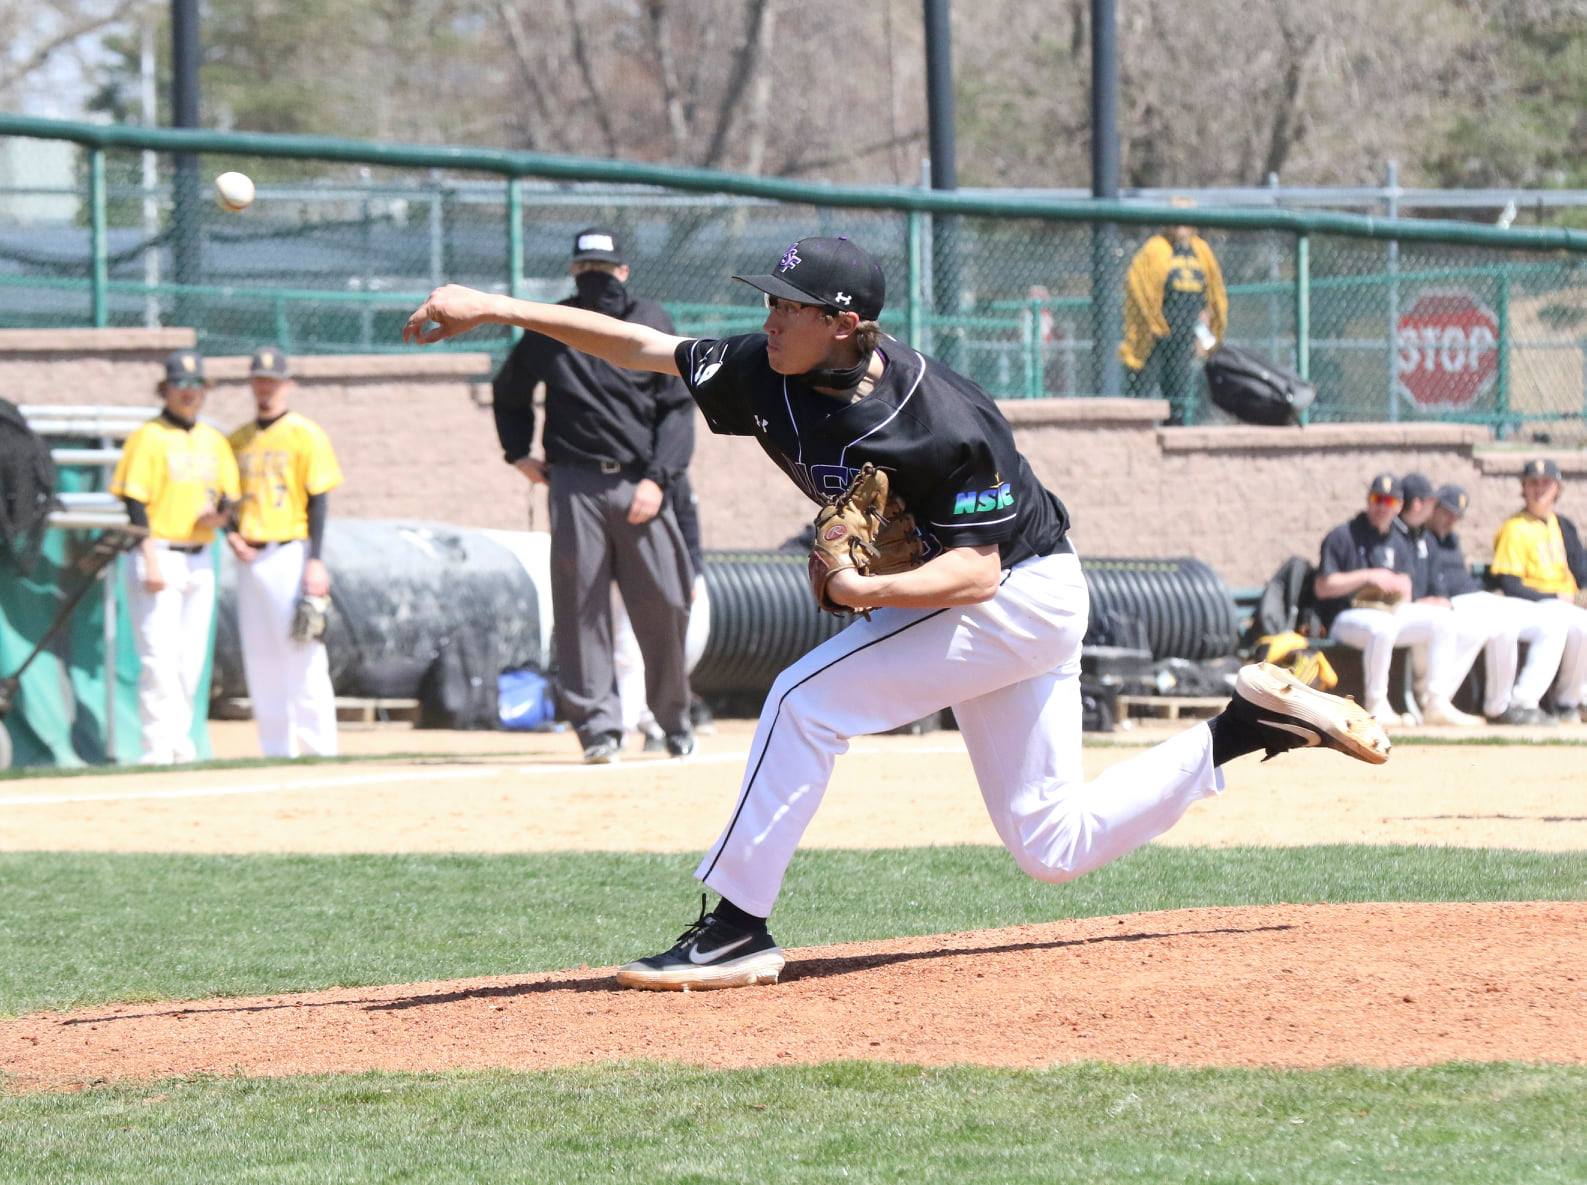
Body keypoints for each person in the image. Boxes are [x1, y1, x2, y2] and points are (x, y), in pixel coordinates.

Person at [404, 233, 1390, 993]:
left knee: (800, 698)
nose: (770, 316)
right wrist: (494, 307)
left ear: (846, 322)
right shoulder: (764, 370)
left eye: (791, 305)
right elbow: (643, 347)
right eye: (770, 300)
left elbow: (975, 574)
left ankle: (736, 925)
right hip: (996, 599)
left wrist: (867, 592)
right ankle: (1243, 727)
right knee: (1052, 846)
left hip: (1022, 593)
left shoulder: (936, 422)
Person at [491, 226, 696, 764]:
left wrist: (658, 477)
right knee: (581, 608)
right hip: (574, 481)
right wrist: (518, 453)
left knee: (668, 602)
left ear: (624, 272)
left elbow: (677, 406)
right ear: (573, 273)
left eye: (603, 270)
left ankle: (673, 719)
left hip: (640, 483)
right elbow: (509, 390)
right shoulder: (552, 327)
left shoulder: (651, 322)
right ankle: (598, 729)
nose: (594, 279)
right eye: (585, 270)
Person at [110, 349, 240, 764]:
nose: (188, 392)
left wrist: (221, 517)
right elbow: (134, 503)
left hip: (201, 555)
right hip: (160, 553)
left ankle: (182, 745)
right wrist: (147, 557)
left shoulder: (213, 440)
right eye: (180, 385)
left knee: (189, 661)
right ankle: (155, 747)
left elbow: (228, 499)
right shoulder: (148, 436)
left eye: (195, 385)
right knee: (158, 658)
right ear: (165, 390)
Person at [225, 346, 344, 758]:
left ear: (287, 384)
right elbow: (226, 499)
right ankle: (275, 751)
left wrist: (315, 559)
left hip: (290, 552)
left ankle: (319, 749)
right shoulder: (237, 439)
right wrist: (231, 533)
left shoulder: (305, 434)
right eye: (259, 380)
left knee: (303, 651)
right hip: (249, 555)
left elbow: (319, 500)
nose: (265, 387)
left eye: (272, 380)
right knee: (260, 657)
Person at [1312, 473, 1480, 728]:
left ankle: (1435, 702)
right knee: (1382, 626)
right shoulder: (1344, 535)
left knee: (1443, 620)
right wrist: (1368, 576)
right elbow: (1323, 588)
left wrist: (1402, 586)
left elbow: (1407, 587)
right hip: (1344, 617)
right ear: (1368, 500)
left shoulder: (1397, 540)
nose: (1382, 507)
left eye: (1390, 502)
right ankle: (1376, 704)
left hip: (1388, 612)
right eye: (1377, 499)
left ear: (1399, 506)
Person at [1425, 482, 1568, 726]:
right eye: (1446, 512)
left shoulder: (1450, 539)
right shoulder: (1424, 539)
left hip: (1479, 597)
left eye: (1456, 516)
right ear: (1433, 507)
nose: (1451, 519)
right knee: (1504, 625)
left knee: (1552, 623)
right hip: (1456, 603)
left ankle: (1523, 702)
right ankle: (1498, 706)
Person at [611, 470, 711, 750]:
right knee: (627, 652)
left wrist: (691, 571)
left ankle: (658, 719)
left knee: (682, 648)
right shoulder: (614, 479)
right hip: (626, 575)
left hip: (670, 572)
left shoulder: (668, 473)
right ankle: (624, 727)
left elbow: (688, 523)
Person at [1489, 458, 1587, 722]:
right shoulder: (1514, 527)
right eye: (1533, 482)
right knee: (1564, 620)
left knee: (1581, 623)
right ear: (1523, 487)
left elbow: (1582, 570)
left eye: (1546, 482)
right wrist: (1553, 597)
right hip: (1531, 605)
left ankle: (1570, 702)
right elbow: (1509, 585)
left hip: (1563, 603)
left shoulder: (1562, 525)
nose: (1539, 488)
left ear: (1558, 488)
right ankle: (1523, 701)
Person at [1118, 212, 1227, 426]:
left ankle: (1175, 428)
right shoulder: (1155, 248)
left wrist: (1210, 323)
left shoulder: (1201, 250)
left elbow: (1215, 291)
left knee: (1177, 391)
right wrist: (1154, 320)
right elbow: (1137, 285)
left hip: (1185, 334)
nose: (1181, 227)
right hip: (1155, 334)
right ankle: (1133, 432)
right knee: (1141, 387)